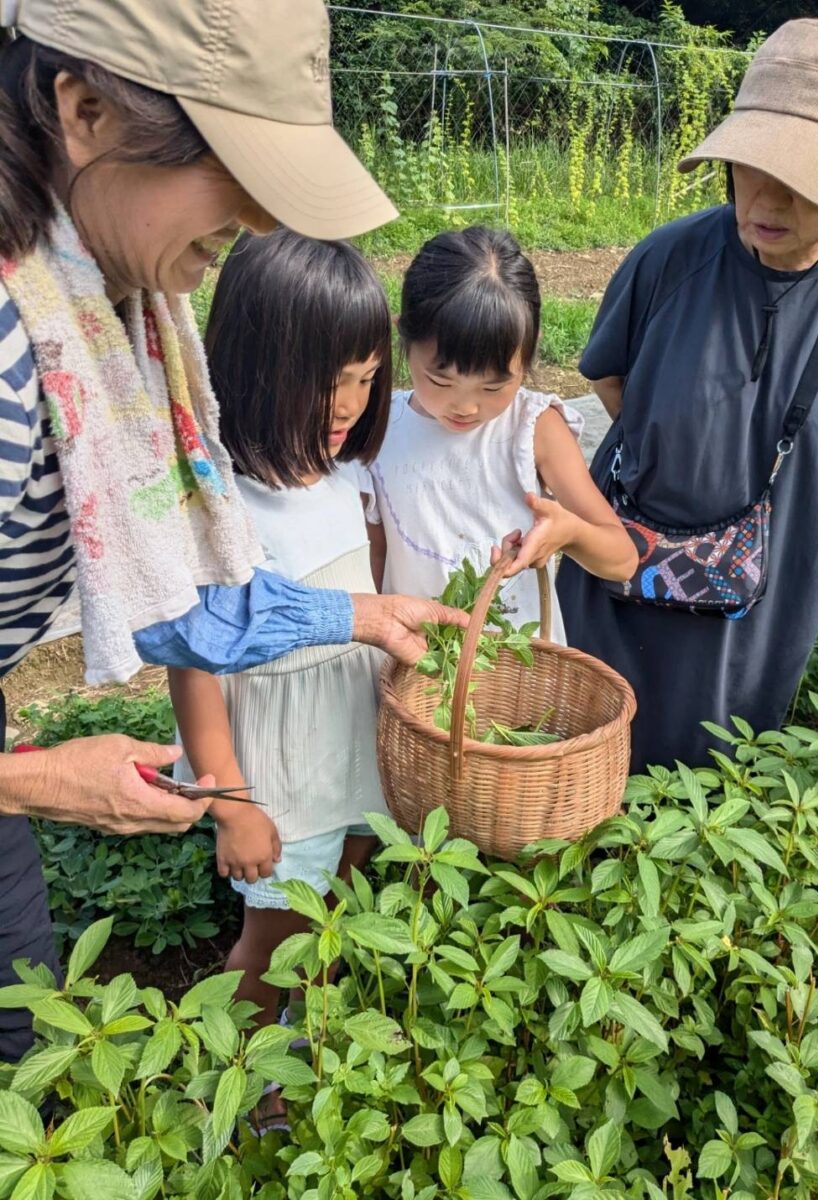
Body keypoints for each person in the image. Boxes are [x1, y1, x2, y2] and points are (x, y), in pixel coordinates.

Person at [0, 0, 465, 1065]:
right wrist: (37, 778)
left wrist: (364, 611)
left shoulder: (102, 308)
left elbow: (190, 607)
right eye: (236, 166)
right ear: (84, 109)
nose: (259, 220)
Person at [557, 18, 818, 773]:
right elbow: (609, 377)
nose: (767, 196)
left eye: (805, 179)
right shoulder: (669, 257)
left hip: (766, 594)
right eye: (753, 163)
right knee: (588, 769)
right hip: (628, 574)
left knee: (724, 779)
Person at [171, 230, 390, 1026]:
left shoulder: (345, 472)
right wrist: (230, 803)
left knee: (334, 904)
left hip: (352, 742)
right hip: (278, 768)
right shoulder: (222, 505)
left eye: (367, 379)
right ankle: (247, 1070)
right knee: (272, 936)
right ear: (258, 366)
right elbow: (192, 667)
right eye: (330, 382)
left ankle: (308, 1042)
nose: (348, 405)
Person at [361, 227, 637, 642]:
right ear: (403, 338)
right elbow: (375, 564)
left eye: (493, 387)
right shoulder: (381, 428)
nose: (466, 406)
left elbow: (622, 559)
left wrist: (570, 533)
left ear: (527, 353)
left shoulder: (534, 427)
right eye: (440, 379)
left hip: (518, 678)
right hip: (416, 671)